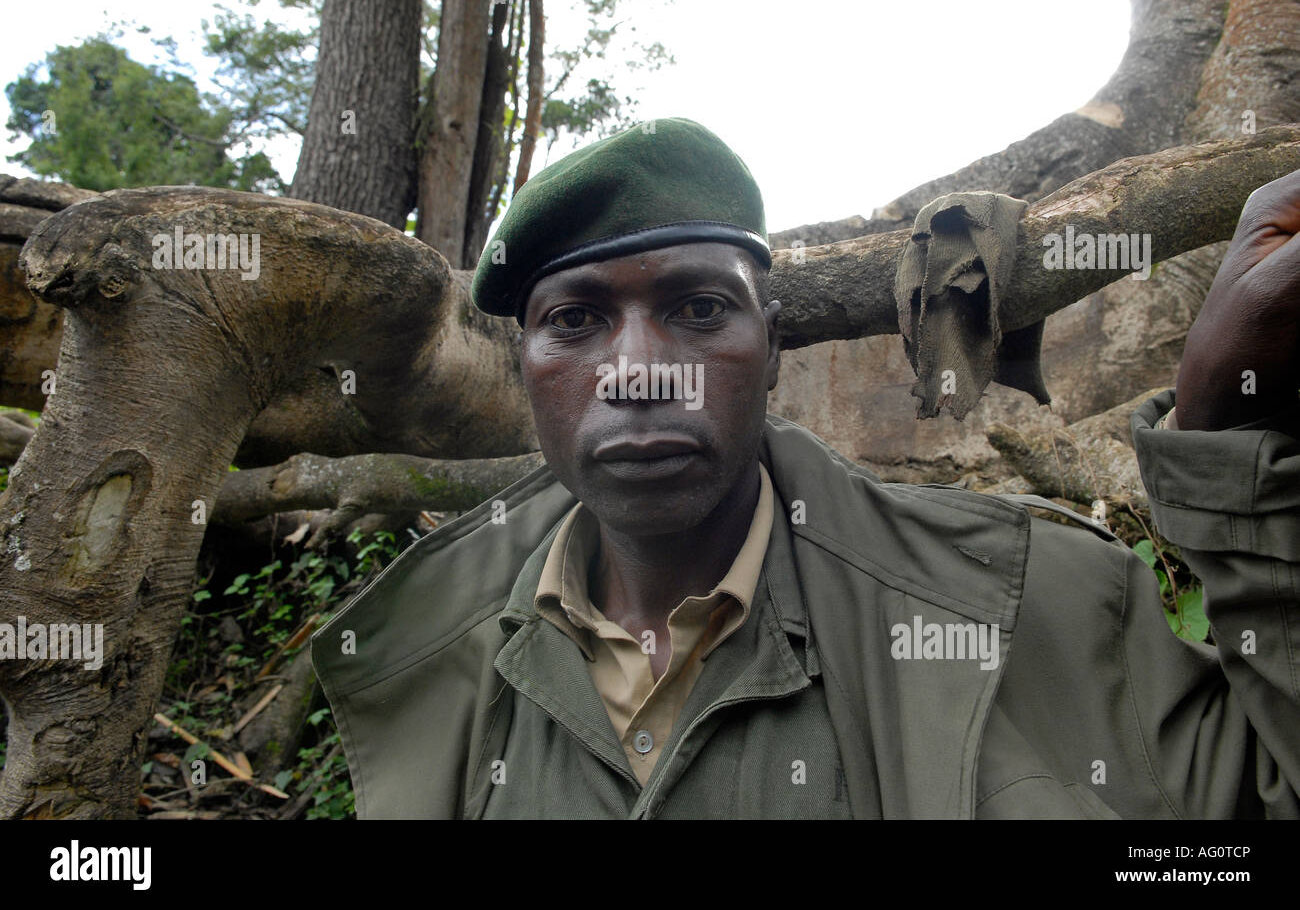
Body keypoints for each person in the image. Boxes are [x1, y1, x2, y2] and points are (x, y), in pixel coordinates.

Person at [311, 118, 1300, 818]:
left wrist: (1224, 431)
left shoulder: (1043, 609)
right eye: (574, 321)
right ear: (525, 366)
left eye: (699, 310)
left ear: (772, 345)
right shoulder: (423, 660)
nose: (641, 373)